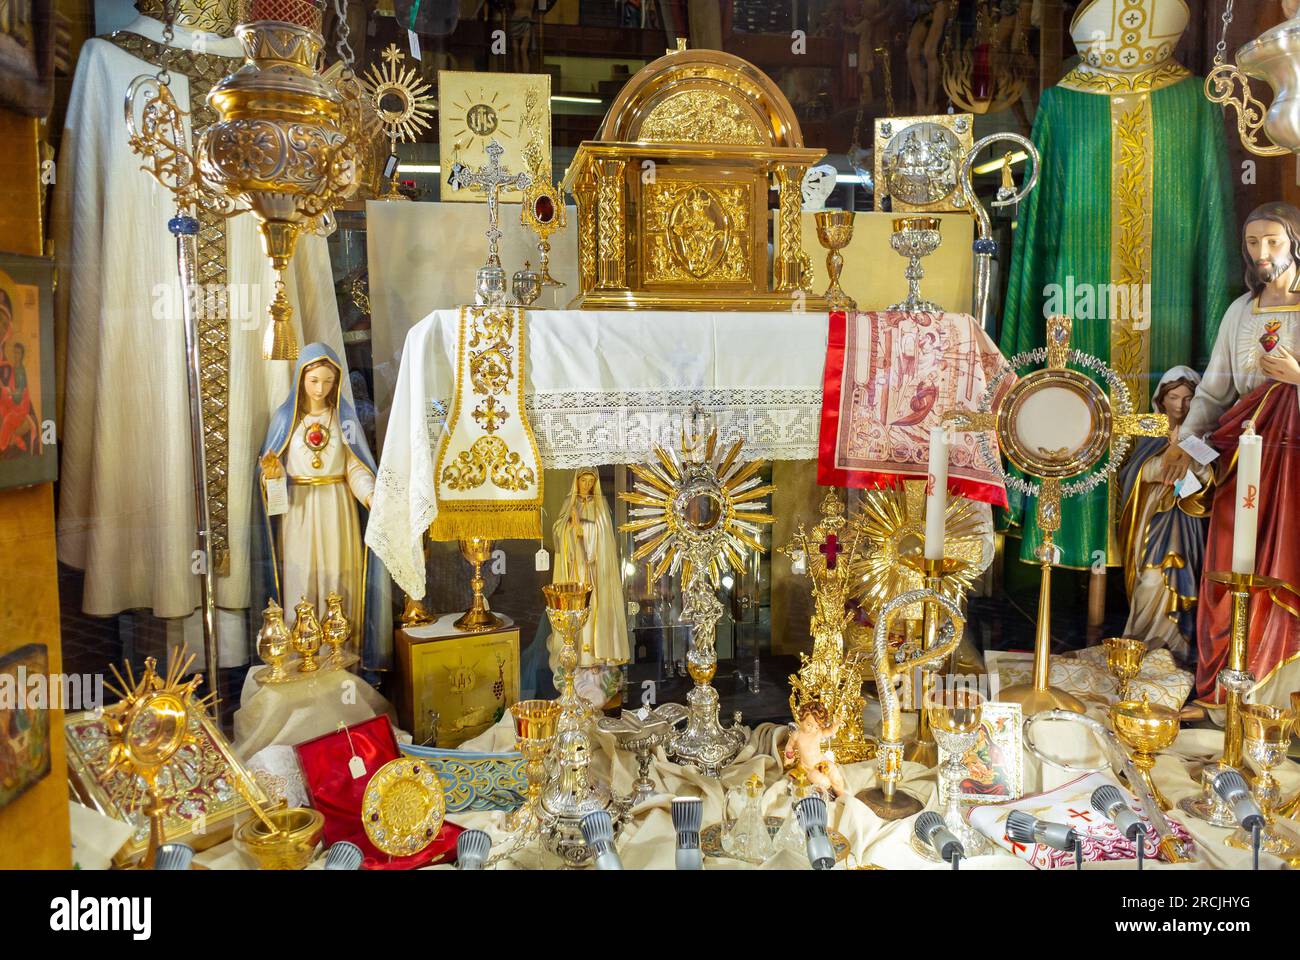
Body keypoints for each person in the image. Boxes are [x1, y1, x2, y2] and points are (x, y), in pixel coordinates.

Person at [1161, 202, 1300, 708]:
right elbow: (1217, 390)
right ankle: (1227, 689)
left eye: (1273, 242)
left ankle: (1281, 699)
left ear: (1295, 244)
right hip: (1241, 457)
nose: (1262, 253)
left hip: (1294, 462)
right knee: (1228, 564)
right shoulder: (1241, 311)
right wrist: (1187, 442)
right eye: (1253, 242)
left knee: (1285, 566)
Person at [258, 343, 392, 671]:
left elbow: (355, 467)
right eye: (314, 380)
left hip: (337, 509)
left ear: (337, 382)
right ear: (301, 379)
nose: (320, 389)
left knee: (338, 580)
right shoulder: (284, 420)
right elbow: (270, 475)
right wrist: (272, 476)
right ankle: (298, 660)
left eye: (328, 381)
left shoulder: (342, 420)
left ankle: (340, 661)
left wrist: (370, 495)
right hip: (298, 511)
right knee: (300, 581)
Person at [1117, 366, 1211, 664]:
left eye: (1188, 398)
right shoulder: (1152, 433)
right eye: (1174, 397)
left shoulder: (1202, 439)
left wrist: (1190, 467)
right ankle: (1141, 639)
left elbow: (1210, 480)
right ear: (1162, 399)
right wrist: (1162, 466)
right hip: (1151, 519)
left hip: (1185, 524)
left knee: (1183, 578)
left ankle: (1176, 650)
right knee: (1151, 580)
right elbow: (1133, 475)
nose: (1180, 405)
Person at [549, 468, 629, 707]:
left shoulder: (600, 507)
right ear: (577, 482)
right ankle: (576, 668)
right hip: (574, 573)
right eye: (582, 481)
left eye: (589, 481)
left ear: (594, 484)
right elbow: (558, 535)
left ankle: (595, 665)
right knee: (575, 619)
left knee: (594, 617)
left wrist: (583, 530)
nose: (586, 485)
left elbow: (602, 540)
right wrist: (569, 529)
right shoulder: (569, 504)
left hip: (594, 577)